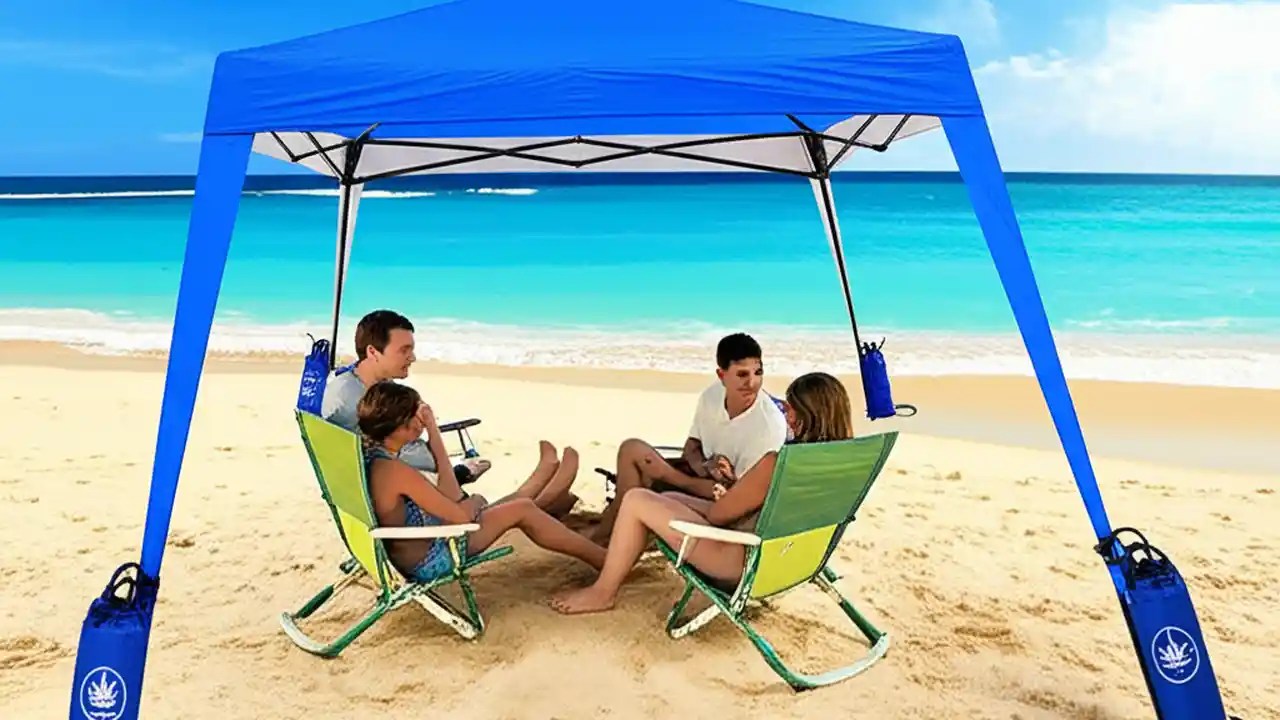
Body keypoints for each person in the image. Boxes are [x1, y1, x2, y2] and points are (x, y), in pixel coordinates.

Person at [550, 371, 854, 615]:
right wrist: (739, 488)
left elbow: (718, 514)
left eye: (789, 409)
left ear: (805, 415)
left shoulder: (777, 463)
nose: (784, 416)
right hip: (790, 560)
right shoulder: (842, 467)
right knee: (666, 501)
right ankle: (616, 558)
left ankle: (602, 592)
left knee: (636, 500)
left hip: (740, 560)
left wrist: (727, 492)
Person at [322, 309, 577, 516]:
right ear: (373, 352)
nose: (412, 357)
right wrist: (455, 472)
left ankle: (547, 496)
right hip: (419, 494)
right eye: (404, 350)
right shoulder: (347, 399)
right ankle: (543, 497)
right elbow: (375, 462)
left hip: (427, 480)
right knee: (503, 510)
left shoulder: (376, 390)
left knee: (519, 506)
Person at [358, 381, 606, 582]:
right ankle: (602, 559)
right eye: (416, 414)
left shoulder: (374, 458)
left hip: (413, 543)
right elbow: (461, 516)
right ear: (403, 423)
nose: (419, 419)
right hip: (430, 559)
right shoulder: (397, 472)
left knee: (504, 507)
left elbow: (449, 495)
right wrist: (476, 501)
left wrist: (433, 429)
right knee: (521, 509)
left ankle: (548, 484)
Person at [588, 333, 787, 545]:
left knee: (646, 485)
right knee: (632, 449)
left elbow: (734, 499)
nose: (752, 383)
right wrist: (704, 465)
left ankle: (609, 538)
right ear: (721, 375)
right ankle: (611, 530)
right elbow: (692, 446)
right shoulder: (711, 396)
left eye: (758, 373)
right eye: (742, 375)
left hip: (720, 502)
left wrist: (672, 475)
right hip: (697, 477)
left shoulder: (767, 426)